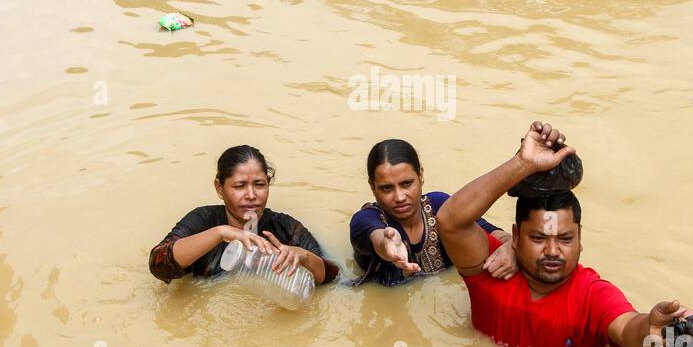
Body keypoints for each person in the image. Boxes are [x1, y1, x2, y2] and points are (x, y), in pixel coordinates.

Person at [435, 120, 693, 347]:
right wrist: (523, 164)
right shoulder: (491, 267)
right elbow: (449, 220)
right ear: (515, 237)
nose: (552, 251)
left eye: (565, 239)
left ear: (580, 238)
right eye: (538, 238)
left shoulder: (593, 295)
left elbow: (628, 329)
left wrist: (651, 328)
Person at [149, 144, 339, 286]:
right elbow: (159, 266)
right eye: (239, 186)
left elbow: (331, 277)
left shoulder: (286, 229)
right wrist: (221, 233)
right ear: (219, 188)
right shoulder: (203, 220)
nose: (251, 195)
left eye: (260, 184)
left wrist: (303, 256)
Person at [349, 139, 516, 286]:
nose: (399, 197)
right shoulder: (364, 220)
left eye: (406, 184)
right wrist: (387, 247)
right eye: (387, 188)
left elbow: (491, 232)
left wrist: (511, 247)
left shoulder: (440, 207)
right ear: (372, 186)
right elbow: (377, 238)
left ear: (421, 175)